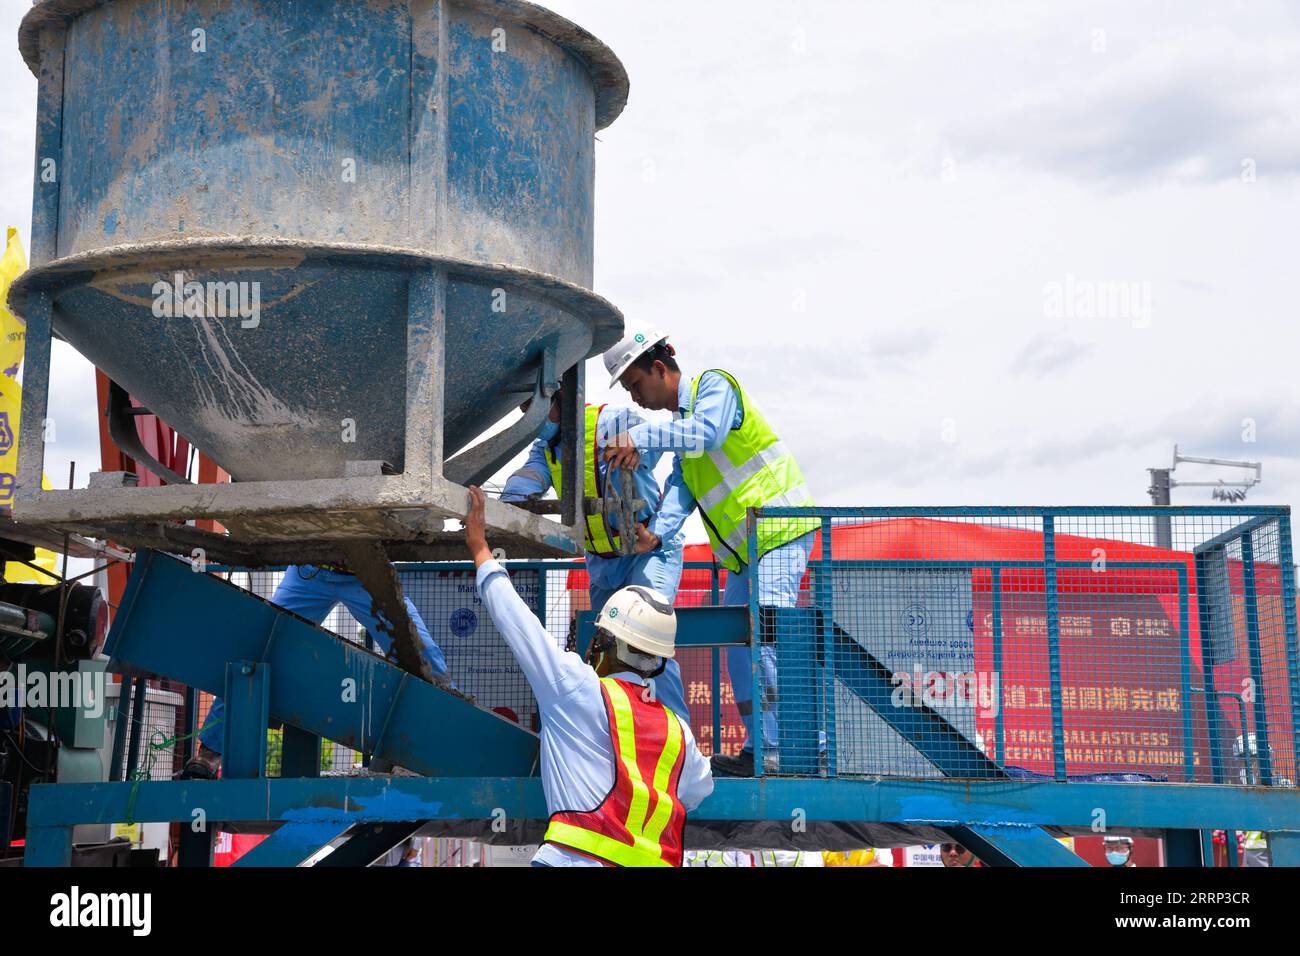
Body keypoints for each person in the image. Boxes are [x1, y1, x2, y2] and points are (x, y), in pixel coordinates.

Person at [602, 329, 818, 776]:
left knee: (768, 636)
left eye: (636, 385)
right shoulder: (683, 428)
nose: (636, 398)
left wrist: (642, 438)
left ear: (659, 368)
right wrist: (657, 536)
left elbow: (706, 433)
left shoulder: (713, 387)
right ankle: (766, 749)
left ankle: (804, 750)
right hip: (745, 551)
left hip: (779, 528)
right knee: (741, 647)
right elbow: (682, 486)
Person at [465, 485, 713, 866]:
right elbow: (698, 788)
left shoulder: (578, 689)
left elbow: (517, 622)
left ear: (606, 644)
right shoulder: (678, 733)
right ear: (660, 660)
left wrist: (481, 550)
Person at [500, 390, 690, 721]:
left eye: (534, 406)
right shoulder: (545, 449)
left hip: (647, 548)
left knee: (647, 638)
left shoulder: (612, 420)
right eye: (523, 409)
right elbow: (529, 478)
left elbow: (666, 442)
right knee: (608, 646)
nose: (529, 416)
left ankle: (678, 731)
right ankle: (619, 729)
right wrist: (504, 501)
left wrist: (638, 446)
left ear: (558, 397)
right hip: (603, 559)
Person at [181, 563, 449, 778]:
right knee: (259, 649)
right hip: (310, 570)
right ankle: (211, 752)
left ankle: (450, 731)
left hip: (365, 571)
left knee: (421, 653)